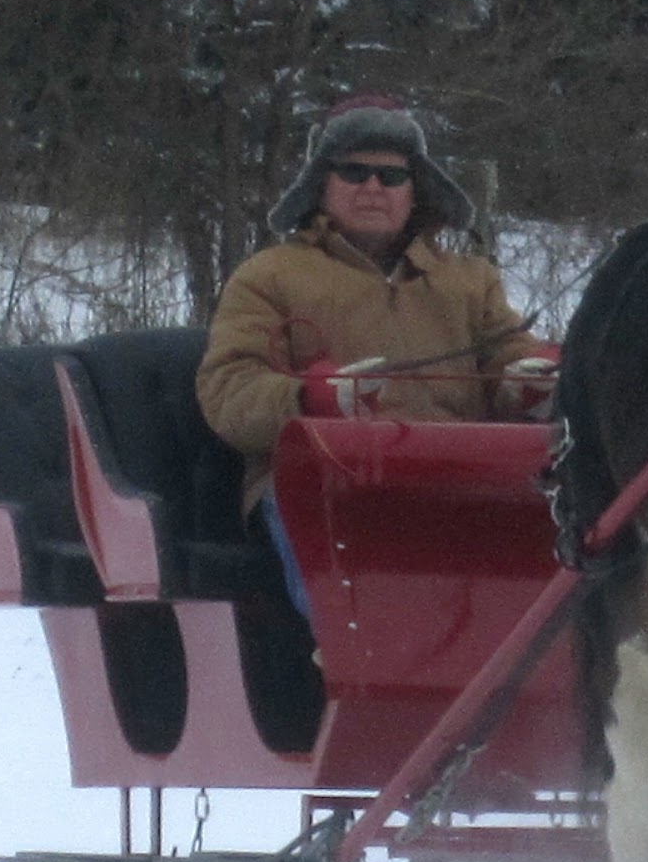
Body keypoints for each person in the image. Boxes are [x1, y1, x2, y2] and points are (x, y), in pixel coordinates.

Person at [197, 94, 554, 617]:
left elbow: (512, 359)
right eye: (353, 172)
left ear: (416, 190)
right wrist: (311, 398)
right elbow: (227, 393)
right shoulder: (268, 275)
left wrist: (530, 387)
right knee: (370, 612)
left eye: (391, 177)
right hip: (323, 483)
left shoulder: (470, 280)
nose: (372, 187)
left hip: (466, 479)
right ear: (322, 183)